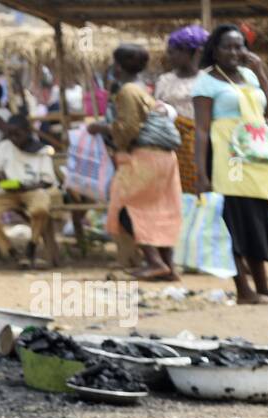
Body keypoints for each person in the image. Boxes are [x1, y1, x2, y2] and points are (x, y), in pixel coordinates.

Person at [193, 24, 268, 304]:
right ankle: (244, 291)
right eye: (227, 46)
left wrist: (261, 72)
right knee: (233, 223)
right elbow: (201, 130)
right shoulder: (206, 81)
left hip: (256, 158)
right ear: (215, 50)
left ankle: (263, 288)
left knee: (257, 219)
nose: (234, 52)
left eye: (239, 46)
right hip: (228, 161)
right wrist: (200, 173)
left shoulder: (249, 75)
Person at [96, 45, 183, 281]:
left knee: (127, 208)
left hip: (143, 158)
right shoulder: (145, 89)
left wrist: (103, 129)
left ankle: (154, 261)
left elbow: (128, 129)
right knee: (159, 210)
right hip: (165, 157)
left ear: (117, 66)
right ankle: (168, 266)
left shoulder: (127, 92)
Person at [0, 114, 61, 266]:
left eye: (17, 133)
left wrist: (26, 187)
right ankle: (9, 250)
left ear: (27, 131)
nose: (13, 138)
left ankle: (32, 245)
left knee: (40, 209)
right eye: (10, 134)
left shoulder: (42, 151)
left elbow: (47, 181)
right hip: (10, 192)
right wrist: (1, 178)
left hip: (34, 190)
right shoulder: (5, 146)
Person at [155, 25, 209, 193]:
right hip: (169, 144)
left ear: (191, 52)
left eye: (174, 52)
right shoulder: (164, 81)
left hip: (200, 145)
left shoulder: (208, 79)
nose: (169, 56)